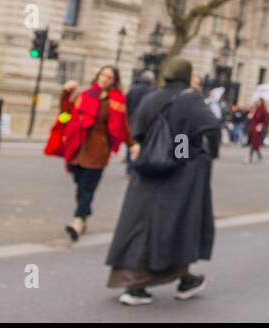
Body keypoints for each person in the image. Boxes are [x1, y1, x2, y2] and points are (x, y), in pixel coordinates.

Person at [106, 58, 218, 306]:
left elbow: (137, 130)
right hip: (179, 175)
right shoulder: (190, 99)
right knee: (175, 224)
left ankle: (182, 278)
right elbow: (211, 126)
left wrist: (158, 149)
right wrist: (181, 150)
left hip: (148, 169)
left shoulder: (152, 97)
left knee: (141, 225)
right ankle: (146, 284)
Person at [60, 66, 132, 242]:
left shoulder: (116, 101)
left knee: (88, 187)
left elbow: (123, 126)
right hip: (78, 147)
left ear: (114, 81)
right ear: (98, 75)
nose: (105, 79)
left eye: (109, 77)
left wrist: (132, 145)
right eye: (103, 75)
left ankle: (78, 220)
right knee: (79, 183)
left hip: (98, 150)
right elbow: (65, 113)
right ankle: (83, 216)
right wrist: (64, 93)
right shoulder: (85, 94)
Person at [246, 99, 269, 163]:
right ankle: (259, 156)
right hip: (252, 128)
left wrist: (261, 125)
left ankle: (250, 157)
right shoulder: (255, 109)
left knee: (254, 143)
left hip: (257, 129)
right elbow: (252, 119)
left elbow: (266, 121)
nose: (258, 103)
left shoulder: (263, 110)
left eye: (259, 102)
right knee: (254, 144)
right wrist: (250, 116)